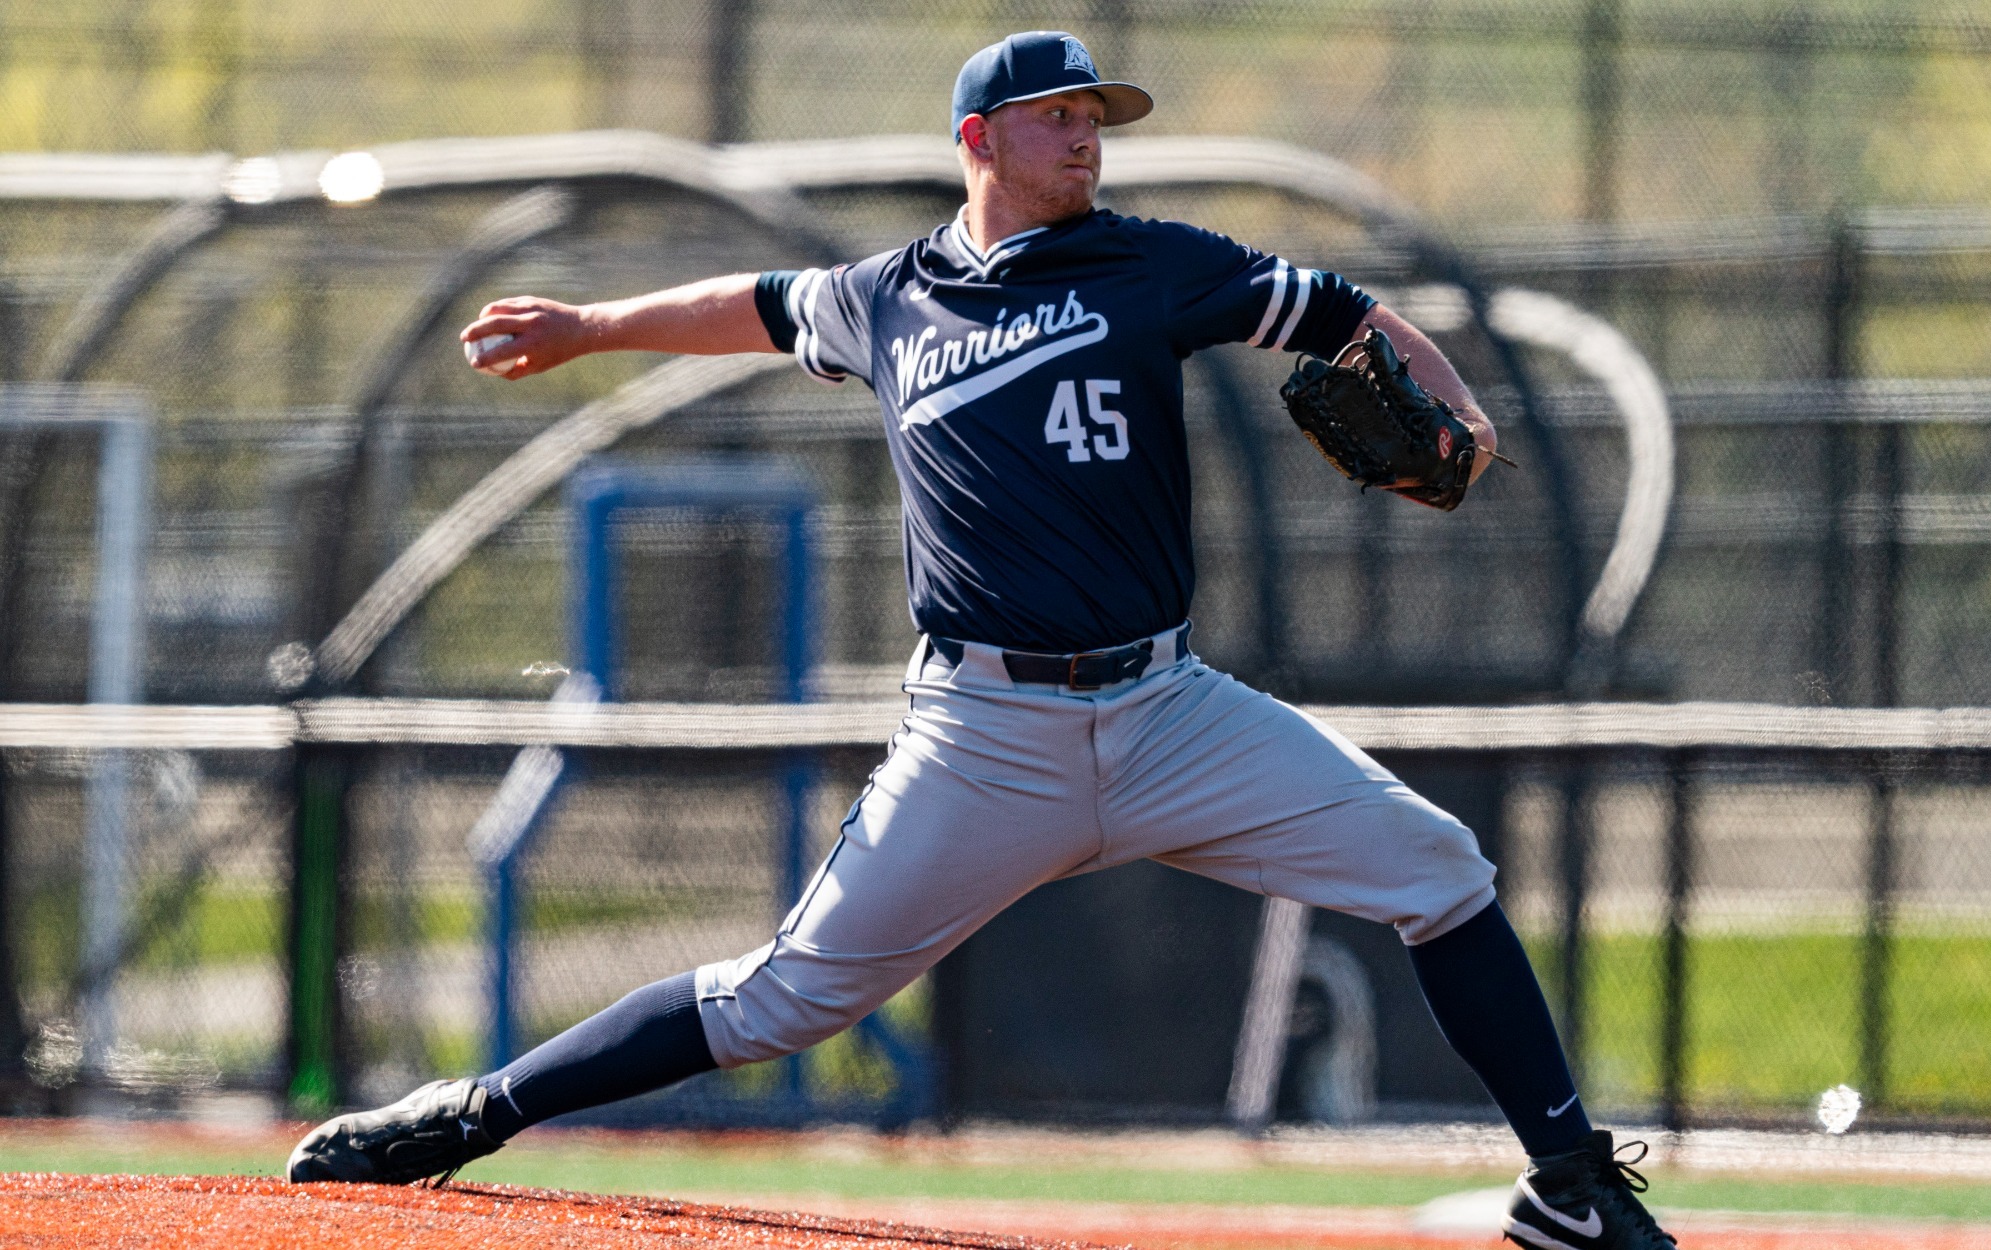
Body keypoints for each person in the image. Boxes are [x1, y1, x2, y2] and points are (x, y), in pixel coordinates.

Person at [288, 30, 1675, 1250]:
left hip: (1168, 709)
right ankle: (472, 1109)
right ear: (982, 138)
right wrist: (592, 326)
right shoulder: (889, 296)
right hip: (984, 734)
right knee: (780, 1002)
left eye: (1098, 118)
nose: (1088, 136)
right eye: (1062, 115)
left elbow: (1357, 317)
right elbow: (757, 306)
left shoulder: (1156, 267)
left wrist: (1464, 420)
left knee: (1437, 866)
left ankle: (1565, 1181)